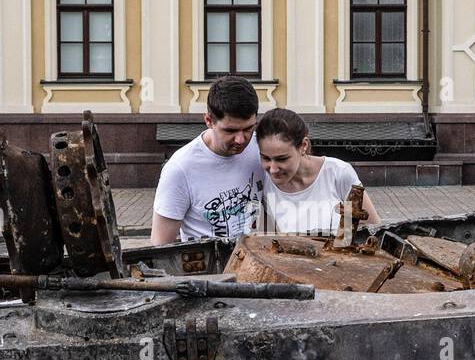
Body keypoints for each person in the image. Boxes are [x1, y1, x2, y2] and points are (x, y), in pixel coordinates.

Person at [151, 76, 265, 245]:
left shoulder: (262, 149)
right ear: (209, 121)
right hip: (209, 262)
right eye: (230, 131)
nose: (241, 139)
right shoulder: (179, 169)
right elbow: (160, 245)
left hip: (256, 258)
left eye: (248, 128)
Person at [255, 108, 380, 235]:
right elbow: (267, 239)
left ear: (303, 145)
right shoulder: (262, 182)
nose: (273, 169)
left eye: (282, 159)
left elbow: (372, 231)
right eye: (265, 158)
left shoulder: (338, 173)